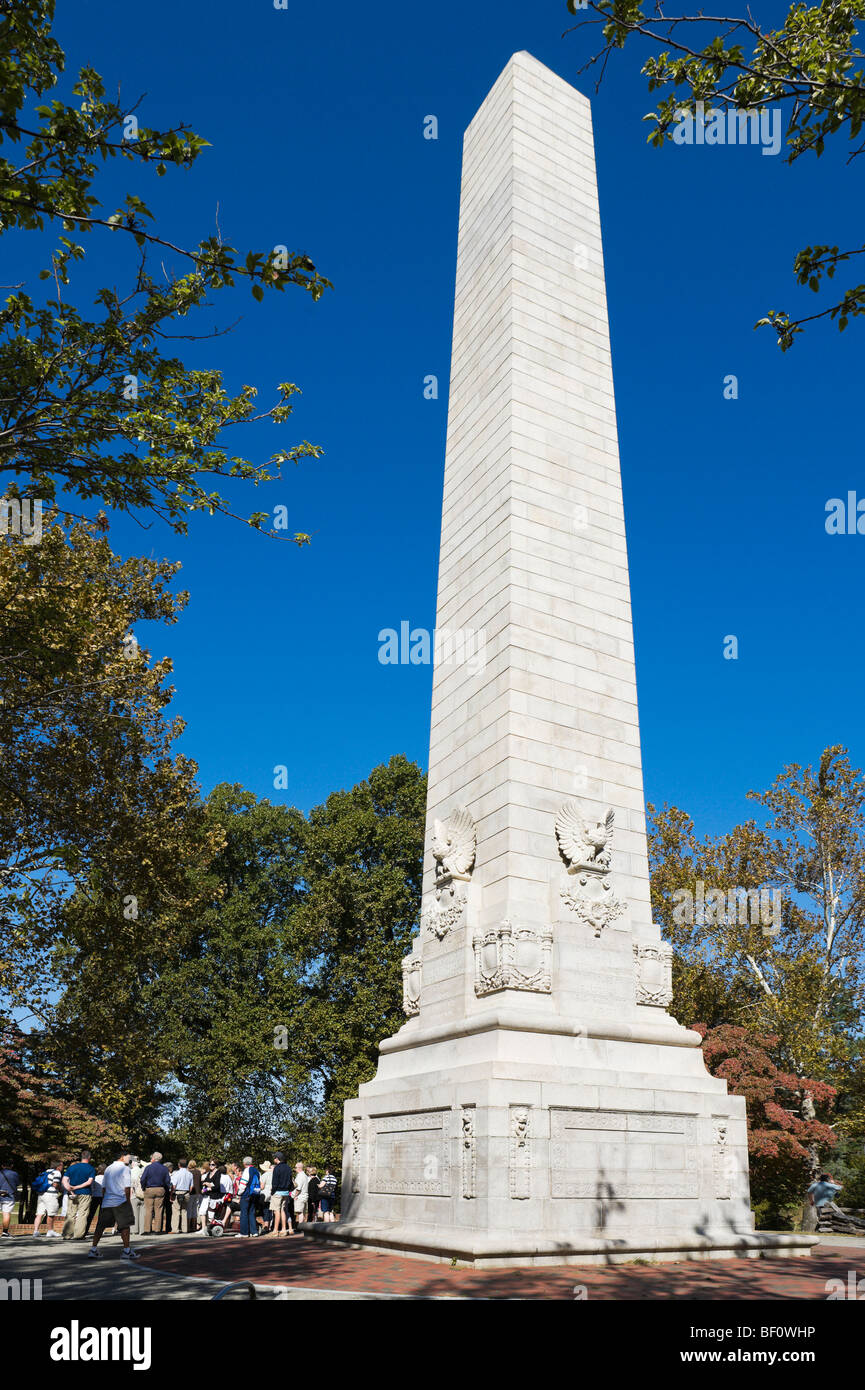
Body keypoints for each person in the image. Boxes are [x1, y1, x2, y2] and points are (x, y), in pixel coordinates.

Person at [88, 1148, 140, 1261]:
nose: (129, 1159)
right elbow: (127, 1187)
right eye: (128, 1156)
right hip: (120, 1200)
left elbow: (104, 1187)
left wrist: (105, 1199)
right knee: (125, 1226)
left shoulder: (108, 1169)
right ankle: (126, 1251)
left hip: (107, 1201)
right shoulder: (125, 1169)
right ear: (122, 1157)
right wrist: (128, 1201)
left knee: (100, 1226)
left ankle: (93, 1249)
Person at [61, 1149, 95, 1239]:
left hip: (72, 1194)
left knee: (70, 1213)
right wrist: (77, 1187)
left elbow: (64, 1180)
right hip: (85, 1193)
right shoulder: (91, 1168)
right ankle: (78, 1235)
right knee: (82, 1214)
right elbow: (89, 1182)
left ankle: (67, 1234)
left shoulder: (72, 1167)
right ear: (89, 1158)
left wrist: (70, 1189)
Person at [139, 1151, 172, 1235]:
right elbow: (167, 1181)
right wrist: (166, 1188)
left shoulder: (148, 1167)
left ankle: (147, 1230)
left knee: (148, 1210)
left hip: (149, 1189)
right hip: (160, 1189)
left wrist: (143, 1187)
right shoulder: (164, 1168)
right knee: (159, 1210)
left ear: (153, 1158)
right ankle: (157, 1230)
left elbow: (143, 1179)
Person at [31, 1157, 63, 1238]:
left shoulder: (46, 1172)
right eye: (62, 1166)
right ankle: (50, 1231)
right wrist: (61, 1189)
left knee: (39, 1213)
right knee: (51, 1213)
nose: (62, 1168)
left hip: (41, 1194)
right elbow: (55, 1184)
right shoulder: (57, 1172)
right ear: (58, 1166)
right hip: (50, 1195)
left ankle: (36, 1231)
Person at [269, 1153, 293, 1237]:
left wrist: (273, 1191)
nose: (274, 1160)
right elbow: (290, 1181)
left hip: (278, 1191)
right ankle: (283, 1229)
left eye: (274, 1158)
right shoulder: (288, 1168)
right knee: (283, 1210)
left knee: (276, 1210)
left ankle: (275, 1230)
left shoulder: (277, 1168)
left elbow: (274, 1182)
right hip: (286, 1192)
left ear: (277, 1158)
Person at [236, 1156, 260, 1238]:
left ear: (244, 1163)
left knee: (244, 1213)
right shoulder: (257, 1171)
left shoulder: (247, 1170)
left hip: (246, 1194)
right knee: (251, 1213)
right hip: (255, 1194)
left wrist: (239, 1193)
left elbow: (243, 1183)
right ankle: (254, 1231)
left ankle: (244, 1232)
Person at [170, 1158, 193, 1233]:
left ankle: (175, 1229)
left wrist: (172, 1194)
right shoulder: (190, 1174)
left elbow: (173, 1185)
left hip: (177, 1192)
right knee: (184, 1211)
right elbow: (191, 1186)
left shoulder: (176, 1173)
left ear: (179, 1165)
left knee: (176, 1211)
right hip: (186, 1193)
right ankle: (184, 1229)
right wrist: (188, 1192)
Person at [84, 1165, 105, 1235]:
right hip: (103, 1197)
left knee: (90, 1214)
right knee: (101, 1215)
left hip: (95, 1196)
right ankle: (99, 1231)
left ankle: (85, 1230)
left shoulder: (95, 1178)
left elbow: (92, 1187)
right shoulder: (106, 1178)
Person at [0, 1161, 19, 1238]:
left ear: (2, 1165)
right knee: (6, 1214)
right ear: (11, 1165)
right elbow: (17, 1184)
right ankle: (5, 1232)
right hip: (9, 1196)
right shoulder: (14, 1174)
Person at [129, 1155, 145, 1235]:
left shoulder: (130, 1171)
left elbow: (130, 1185)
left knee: (134, 1213)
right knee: (142, 1213)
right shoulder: (143, 1170)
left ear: (132, 1163)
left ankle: (134, 1230)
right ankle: (142, 1230)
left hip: (134, 1195)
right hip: (143, 1194)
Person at [291, 1161, 309, 1229]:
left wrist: (295, 1196)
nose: (295, 1169)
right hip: (304, 1196)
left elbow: (298, 1188)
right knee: (303, 1212)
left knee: (300, 1212)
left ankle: (301, 1227)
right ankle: (302, 1227)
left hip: (300, 1196)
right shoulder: (304, 1175)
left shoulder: (300, 1176)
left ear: (299, 1168)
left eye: (295, 1167)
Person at [186, 1161, 202, 1233]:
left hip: (191, 1192)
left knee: (189, 1209)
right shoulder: (198, 1172)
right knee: (195, 1209)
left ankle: (189, 1226)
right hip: (198, 1192)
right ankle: (194, 1226)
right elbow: (200, 1182)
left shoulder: (188, 1172)